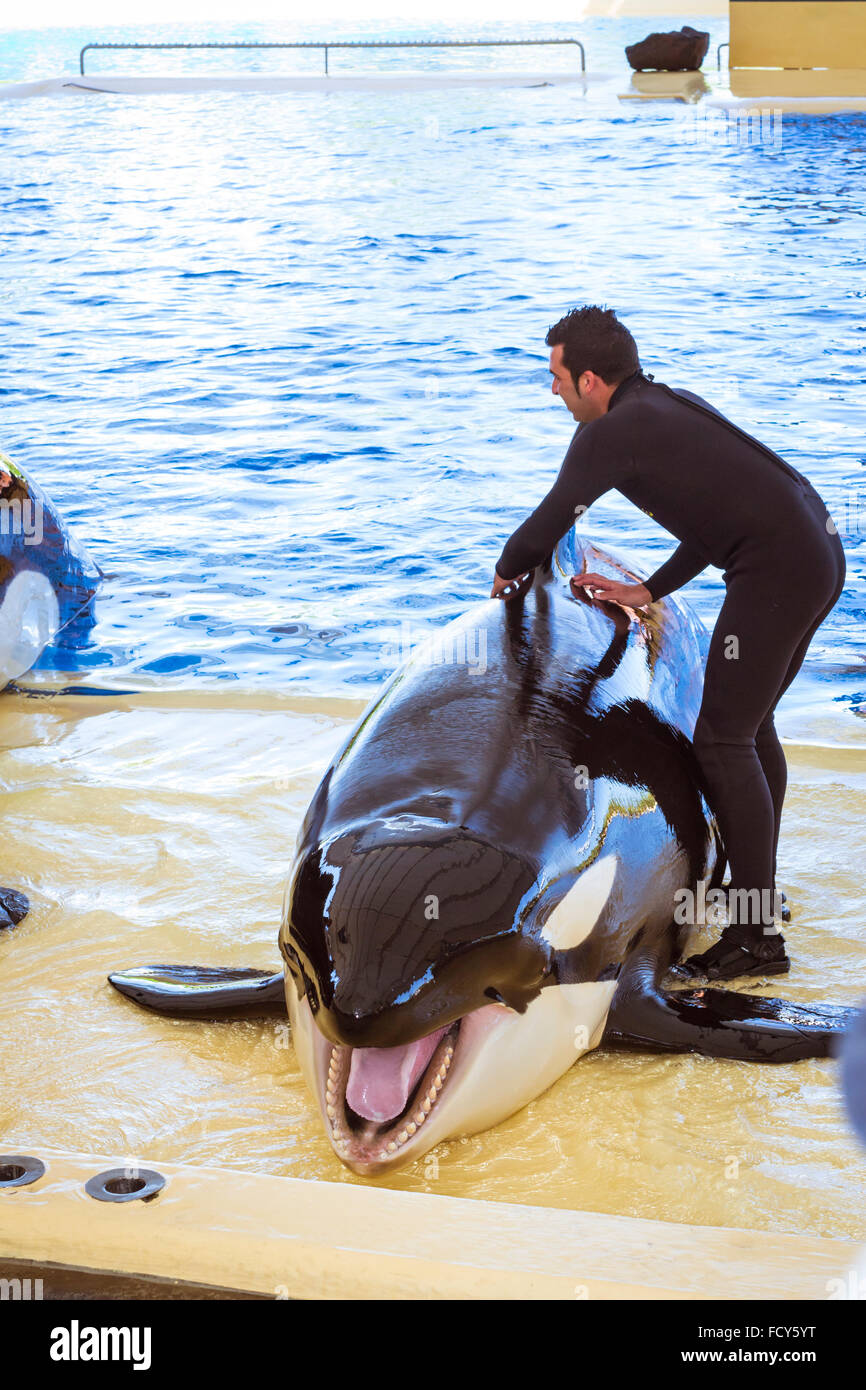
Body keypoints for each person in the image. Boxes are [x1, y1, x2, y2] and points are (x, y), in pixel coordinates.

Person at [491, 305, 846, 982]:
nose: (554, 392)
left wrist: (508, 571)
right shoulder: (666, 406)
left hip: (779, 567)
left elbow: (550, 520)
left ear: (590, 379)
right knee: (747, 727)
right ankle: (755, 897)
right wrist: (647, 589)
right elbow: (714, 527)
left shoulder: (609, 435)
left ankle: (756, 940)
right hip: (817, 553)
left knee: (722, 741)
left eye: (558, 377)